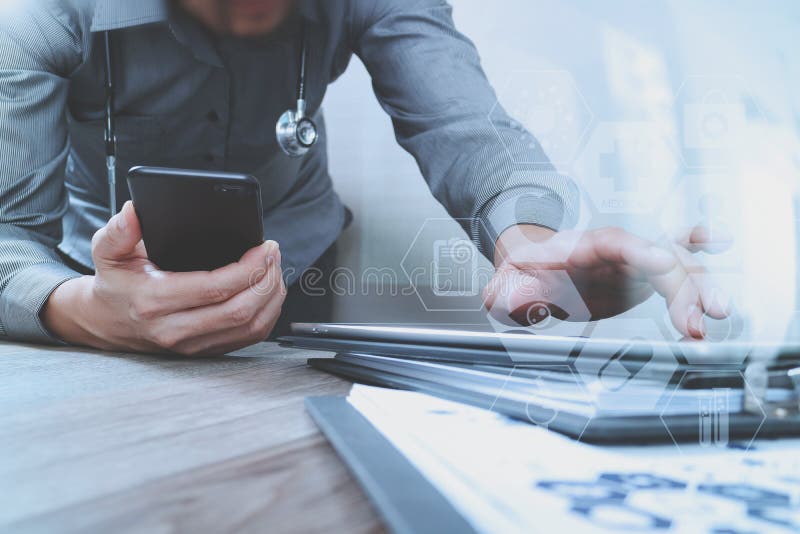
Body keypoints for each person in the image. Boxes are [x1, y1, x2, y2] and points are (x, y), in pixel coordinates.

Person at [0, 0, 727, 355]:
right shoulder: (39, 14)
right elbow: (6, 242)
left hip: (300, 262)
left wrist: (530, 242)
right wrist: (85, 310)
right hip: (88, 276)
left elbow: (461, 122)